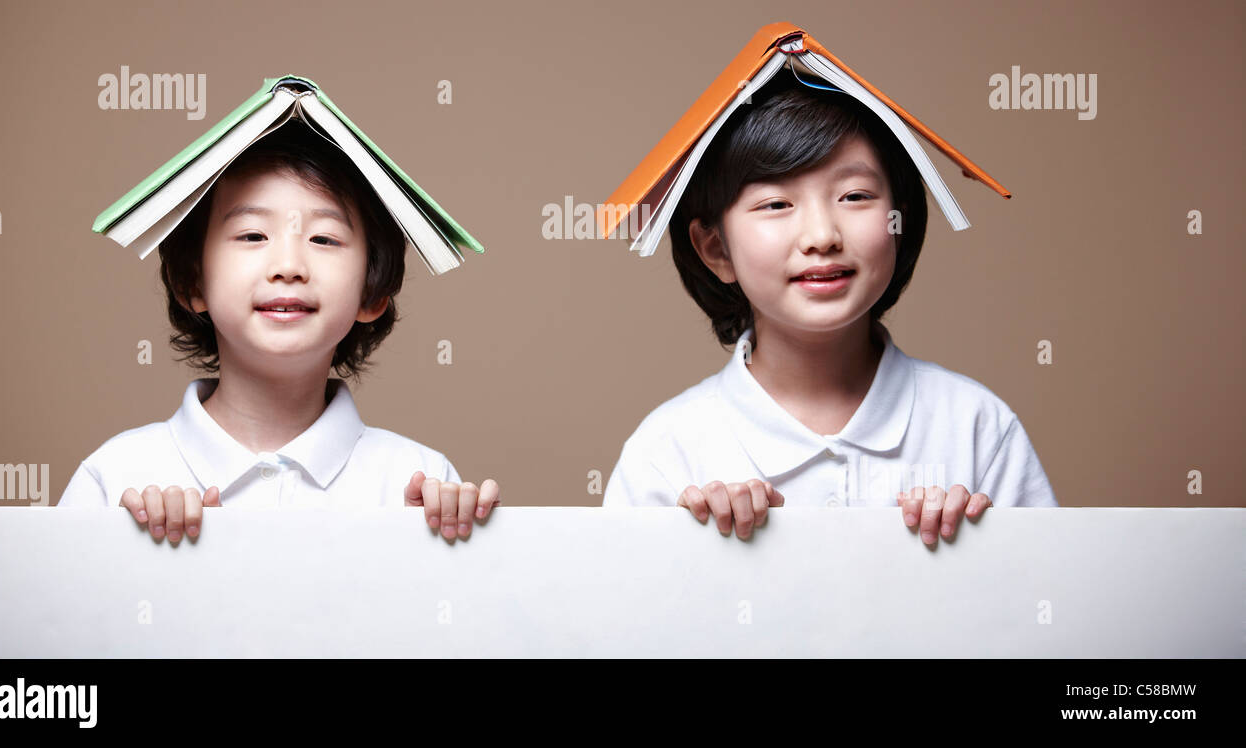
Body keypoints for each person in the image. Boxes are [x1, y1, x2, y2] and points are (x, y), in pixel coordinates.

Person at [603, 77, 1056, 545]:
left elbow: (1049, 597)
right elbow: (623, 609)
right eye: (776, 203)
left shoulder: (977, 426)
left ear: (898, 222)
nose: (822, 235)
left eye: (855, 197)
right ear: (716, 249)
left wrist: (977, 545)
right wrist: (692, 548)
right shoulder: (666, 451)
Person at [57, 120, 498, 544]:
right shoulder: (116, 480)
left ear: (372, 293)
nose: (288, 266)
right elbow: (56, 616)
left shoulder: (420, 483)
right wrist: (135, 556)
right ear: (192, 282)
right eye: (252, 235)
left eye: (324, 239)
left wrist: (439, 546)